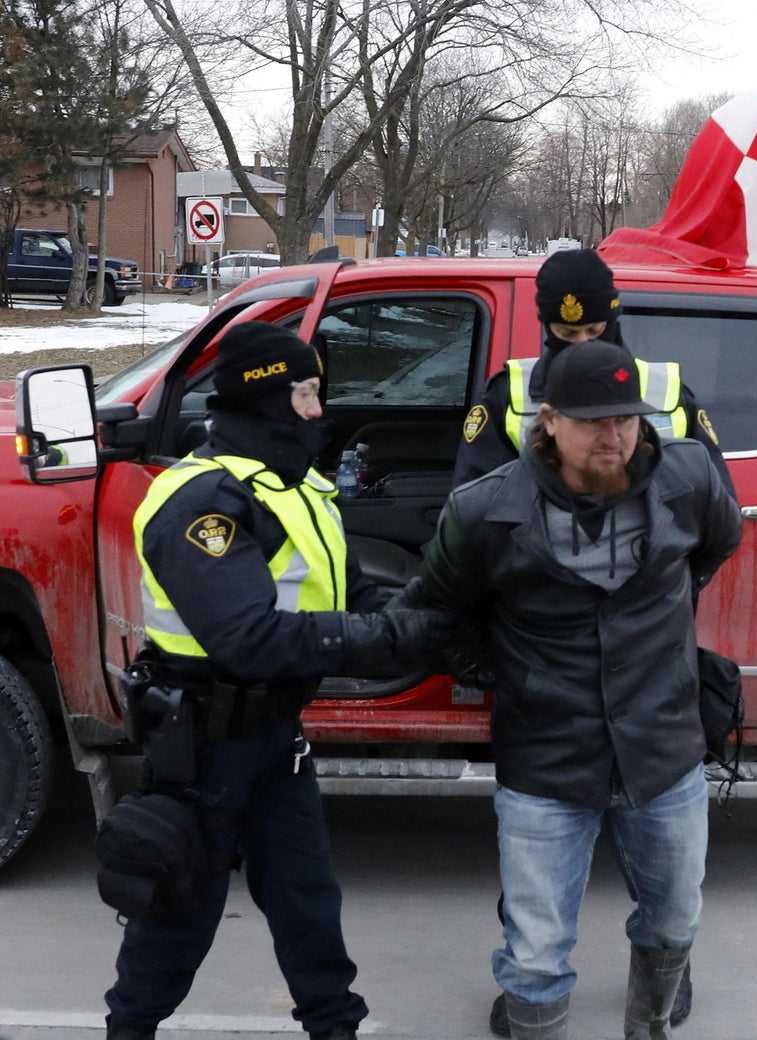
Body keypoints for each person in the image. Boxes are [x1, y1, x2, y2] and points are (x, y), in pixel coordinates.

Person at [103, 322, 445, 1040]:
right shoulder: (201, 501)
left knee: (307, 902)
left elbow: (347, 589)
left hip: (273, 736)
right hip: (205, 741)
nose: (321, 410)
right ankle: (129, 1030)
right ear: (267, 399)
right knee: (180, 910)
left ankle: (334, 1028)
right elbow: (247, 637)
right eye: (308, 393)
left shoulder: (297, 488)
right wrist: (377, 640)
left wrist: (427, 624)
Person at [407, 338, 742, 1040]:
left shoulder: (690, 481)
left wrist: (656, 638)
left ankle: (648, 1022)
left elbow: (713, 549)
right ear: (549, 420)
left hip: (664, 751)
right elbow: (437, 611)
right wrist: (506, 672)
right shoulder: (485, 510)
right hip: (547, 759)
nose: (613, 435)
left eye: (625, 418)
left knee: (676, 916)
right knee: (534, 953)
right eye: (593, 421)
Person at [452, 248, 728, 492]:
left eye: (595, 331)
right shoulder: (508, 395)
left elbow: (713, 504)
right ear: (549, 329)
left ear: (613, 323)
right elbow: (476, 510)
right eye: (568, 333)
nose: (583, 344)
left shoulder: (667, 391)